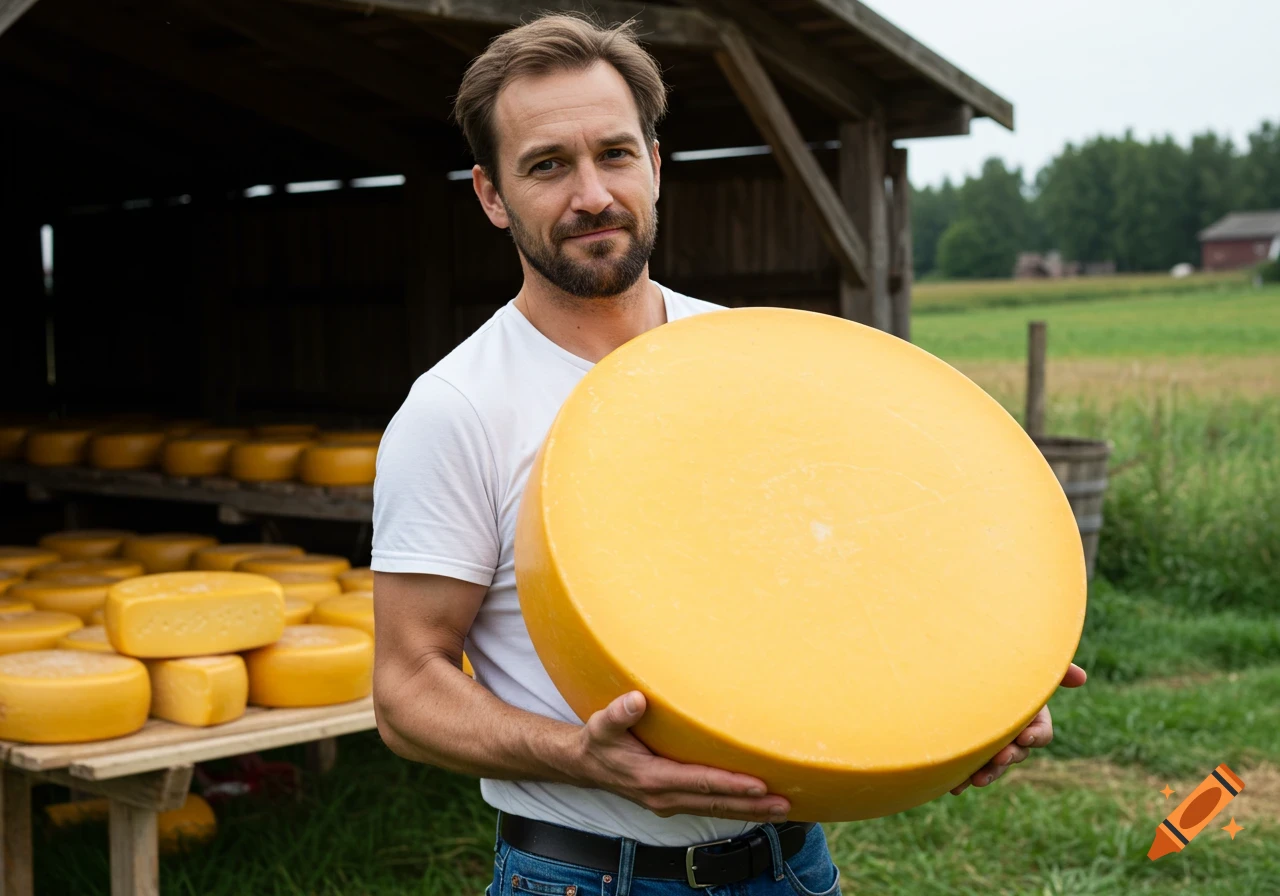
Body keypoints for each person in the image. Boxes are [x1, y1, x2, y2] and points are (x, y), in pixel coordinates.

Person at [370, 14, 1087, 895]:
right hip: (591, 878)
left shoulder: (752, 357)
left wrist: (968, 705)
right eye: (548, 165)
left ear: (657, 165)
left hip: (793, 868)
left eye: (616, 154)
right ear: (491, 194)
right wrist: (583, 759)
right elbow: (407, 692)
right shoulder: (457, 409)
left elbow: (842, 567)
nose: (592, 193)